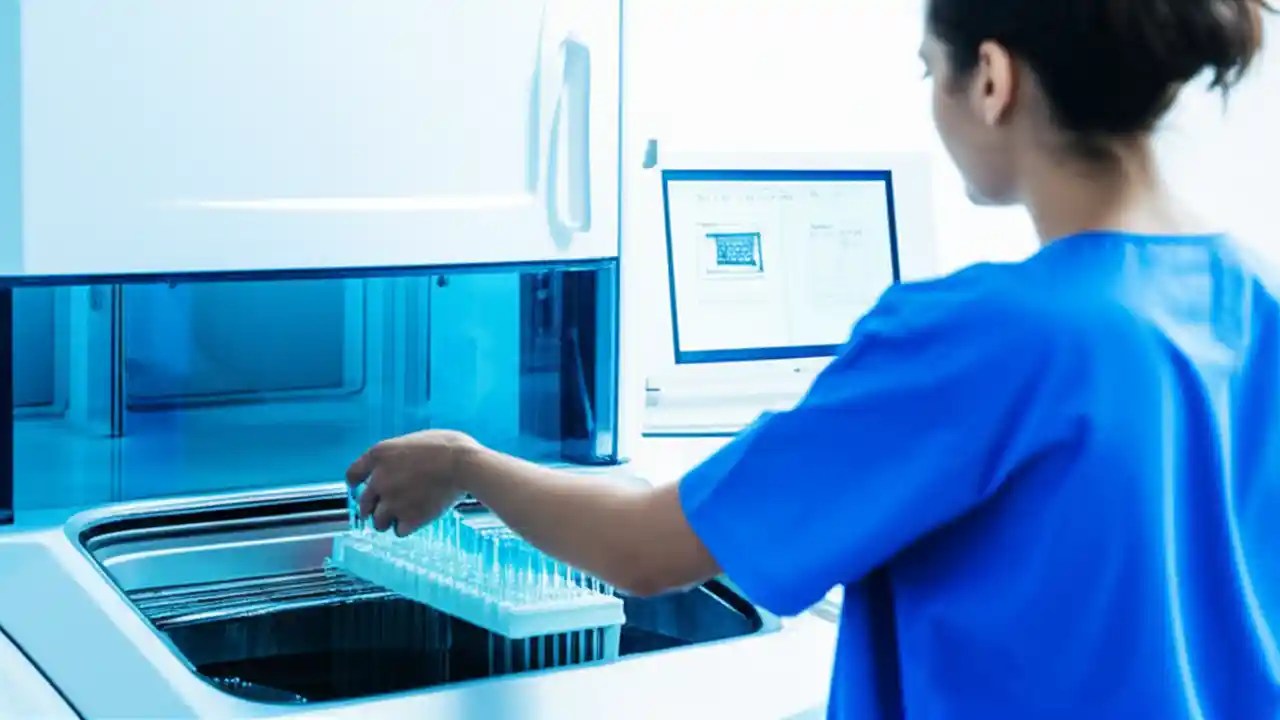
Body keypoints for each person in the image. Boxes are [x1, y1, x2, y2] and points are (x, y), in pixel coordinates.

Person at [346, 0, 1280, 716]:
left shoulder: (984, 336)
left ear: (992, 80)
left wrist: (466, 465)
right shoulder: (1254, 299)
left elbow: (647, 549)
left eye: (930, 73)